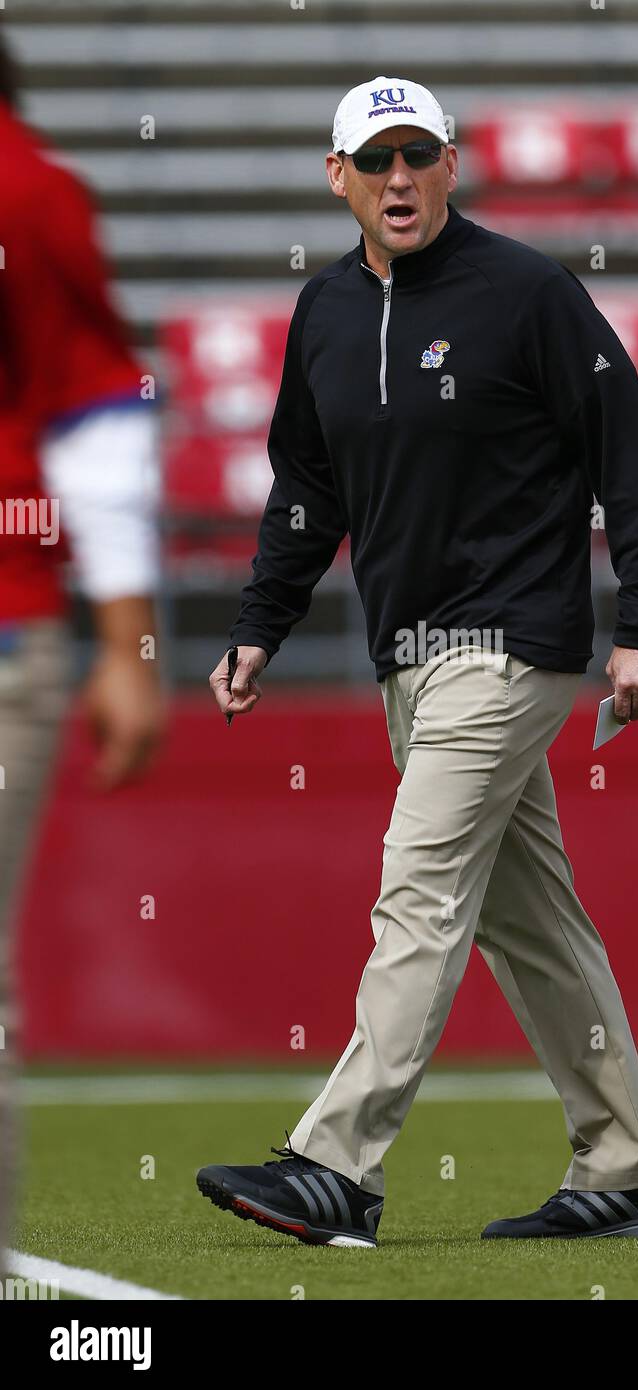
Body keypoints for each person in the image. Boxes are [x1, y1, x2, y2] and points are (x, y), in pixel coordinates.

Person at [201, 76, 638, 1248]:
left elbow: (628, 448)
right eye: (376, 161)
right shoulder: (320, 314)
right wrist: (260, 620)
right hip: (405, 661)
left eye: (418, 154)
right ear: (339, 178)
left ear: (452, 164)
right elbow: (308, 492)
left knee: (416, 886)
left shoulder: (526, 292)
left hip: (510, 644)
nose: (399, 178)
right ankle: (625, 1173)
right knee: (534, 924)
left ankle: (337, 1165)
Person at [0, 31, 165, 1277]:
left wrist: (126, 640)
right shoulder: (32, 188)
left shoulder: (29, 191)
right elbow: (98, 418)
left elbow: (95, 419)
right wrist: (125, 643)